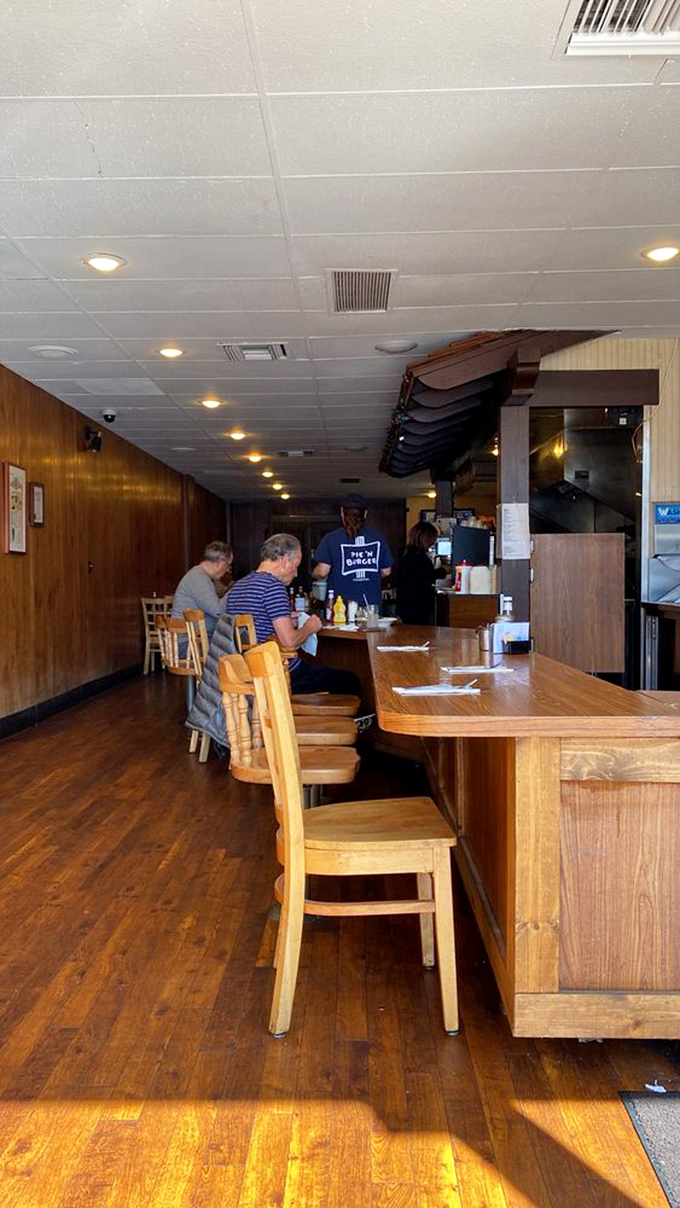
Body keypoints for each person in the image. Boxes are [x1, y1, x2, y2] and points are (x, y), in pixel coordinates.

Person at [227, 532, 360, 697]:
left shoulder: (238, 586)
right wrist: (310, 627)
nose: (296, 573)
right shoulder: (273, 587)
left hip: (247, 672)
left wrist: (286, 619)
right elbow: (289, 642)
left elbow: (256, 622)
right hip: (278, 674)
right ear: (284, 560)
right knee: (349, 680)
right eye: (295, 566)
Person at [312, 493, 392, 609]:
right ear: (365, 514)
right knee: (371, 627)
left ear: (342, 513)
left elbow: (322, 572)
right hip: (371, 604)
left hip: (340, 607)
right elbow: (386, 571)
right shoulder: (378, 538)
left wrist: (314, 573)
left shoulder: (331, 539)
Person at [171, 540, 233, 639]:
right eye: (228, 565)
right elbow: (218, 611)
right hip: (188, 643)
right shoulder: (198, 577)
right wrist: (238, 590)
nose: (228, 570)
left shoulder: (198, 575)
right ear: (220, 563)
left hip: (192, 638)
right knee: (235, 643)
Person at [396, 521, 440, 625]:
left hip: (406, 604)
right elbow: (426, 576)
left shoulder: (407, 553)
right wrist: (442, 571)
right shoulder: (419, 557)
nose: (433, 542)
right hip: (417, 605)